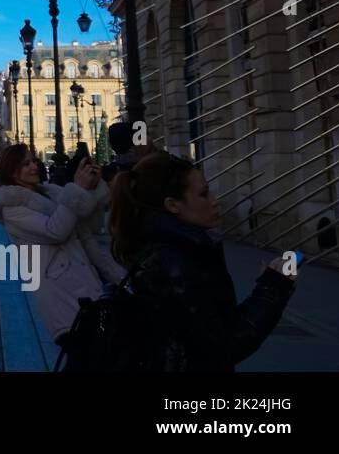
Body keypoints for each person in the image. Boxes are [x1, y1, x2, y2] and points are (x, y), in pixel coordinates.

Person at [110, 152, 296, 371]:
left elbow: (217, 327)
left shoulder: (174, 250)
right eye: (204, 194)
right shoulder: (174, 265)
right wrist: (274, 288)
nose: (214, 201)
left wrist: (267, 286)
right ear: (173, 205)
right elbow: (226, 346)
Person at [0, 143, 125, 344]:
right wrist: (78, 189)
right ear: (11, 171)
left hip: (87, 281)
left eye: (33, 161)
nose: (34, 166)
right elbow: (55, 231)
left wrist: (93, 188)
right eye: (26, 164)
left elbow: (87, 224)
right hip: (63, 294)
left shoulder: (50, 191)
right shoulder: (11, 208)